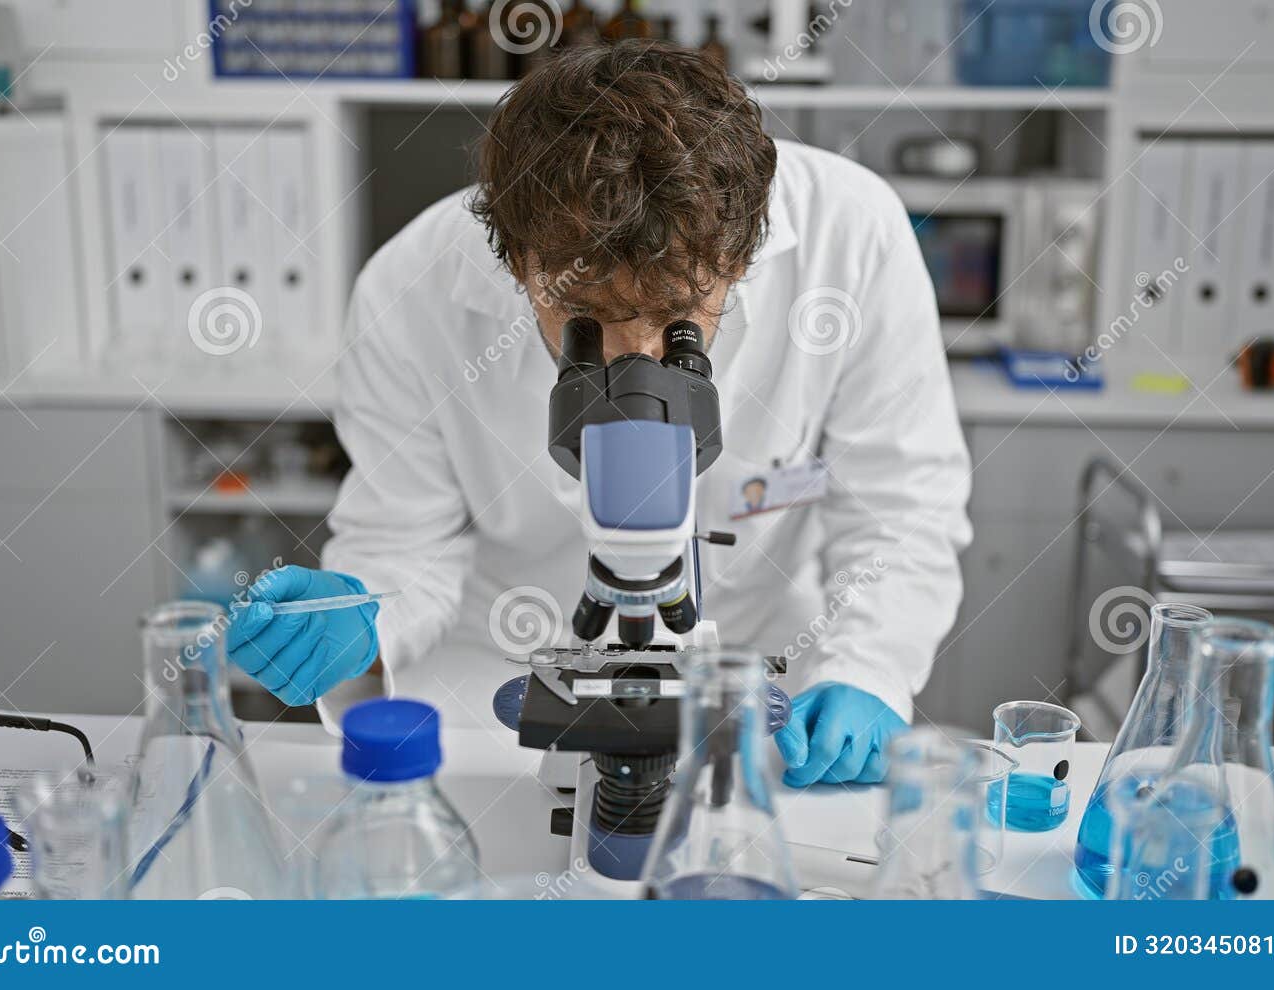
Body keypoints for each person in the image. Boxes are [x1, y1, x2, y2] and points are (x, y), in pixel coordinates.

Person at [226, 41, 973, 787]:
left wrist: (867, 667)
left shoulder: (854, 238)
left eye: (675, 314)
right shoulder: (408, 290)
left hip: (754, 665)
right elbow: (407, 543)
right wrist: (363, 616)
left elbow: (901, 508)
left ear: (743, 255)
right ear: (516, 261)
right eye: (585, 314)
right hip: (504, 665)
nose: (631, 360)